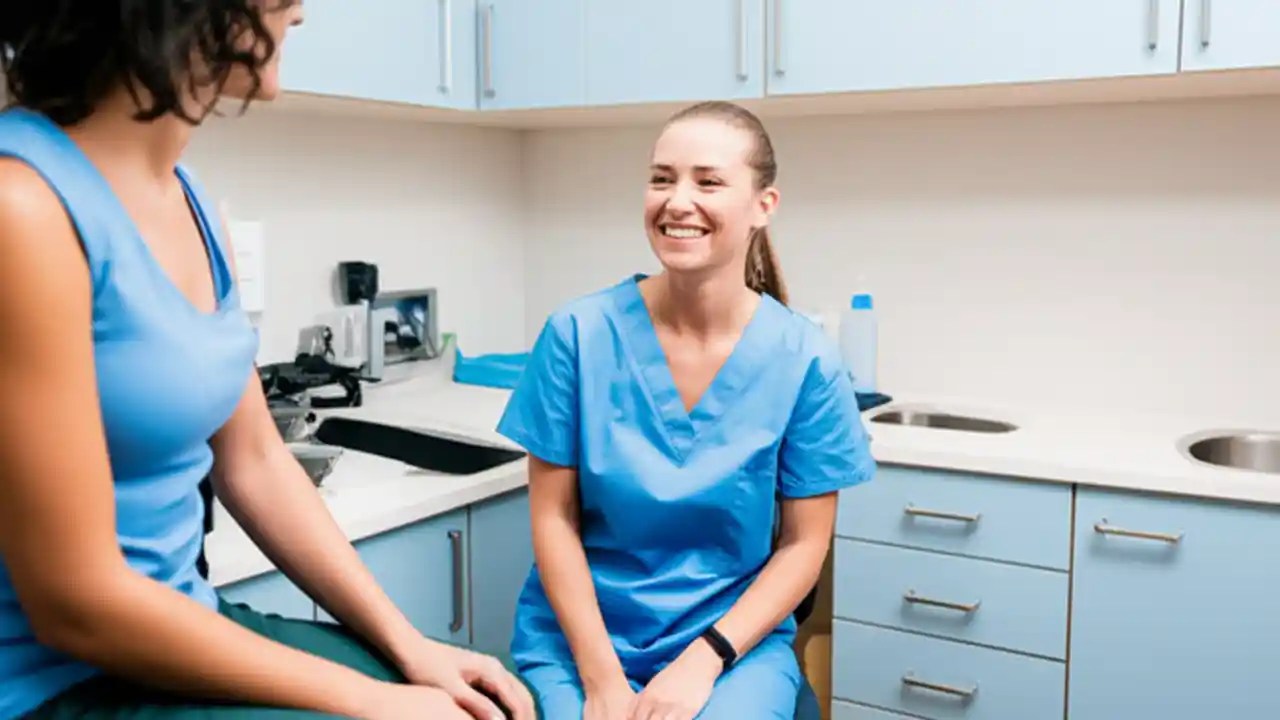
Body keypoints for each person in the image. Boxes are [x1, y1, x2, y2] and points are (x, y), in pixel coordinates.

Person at [0, 3, 534, 720]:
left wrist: (409, 648)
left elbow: (253, 458)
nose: (301, 11)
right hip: (57, 683)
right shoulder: (21, 208)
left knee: (500, 695)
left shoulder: (193, 203)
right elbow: (78, 604)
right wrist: (375, 703)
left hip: (183, 628)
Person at [495, 101, 877, 719]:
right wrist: (602, 682)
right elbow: (553, 521)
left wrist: (706, 659)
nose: (677, 200)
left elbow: (805, 546)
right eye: (661, 177)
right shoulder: (577, 333)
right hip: (580, 640)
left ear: (763, 205)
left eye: (708, 181)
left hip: (732, 644)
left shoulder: (804, 358)